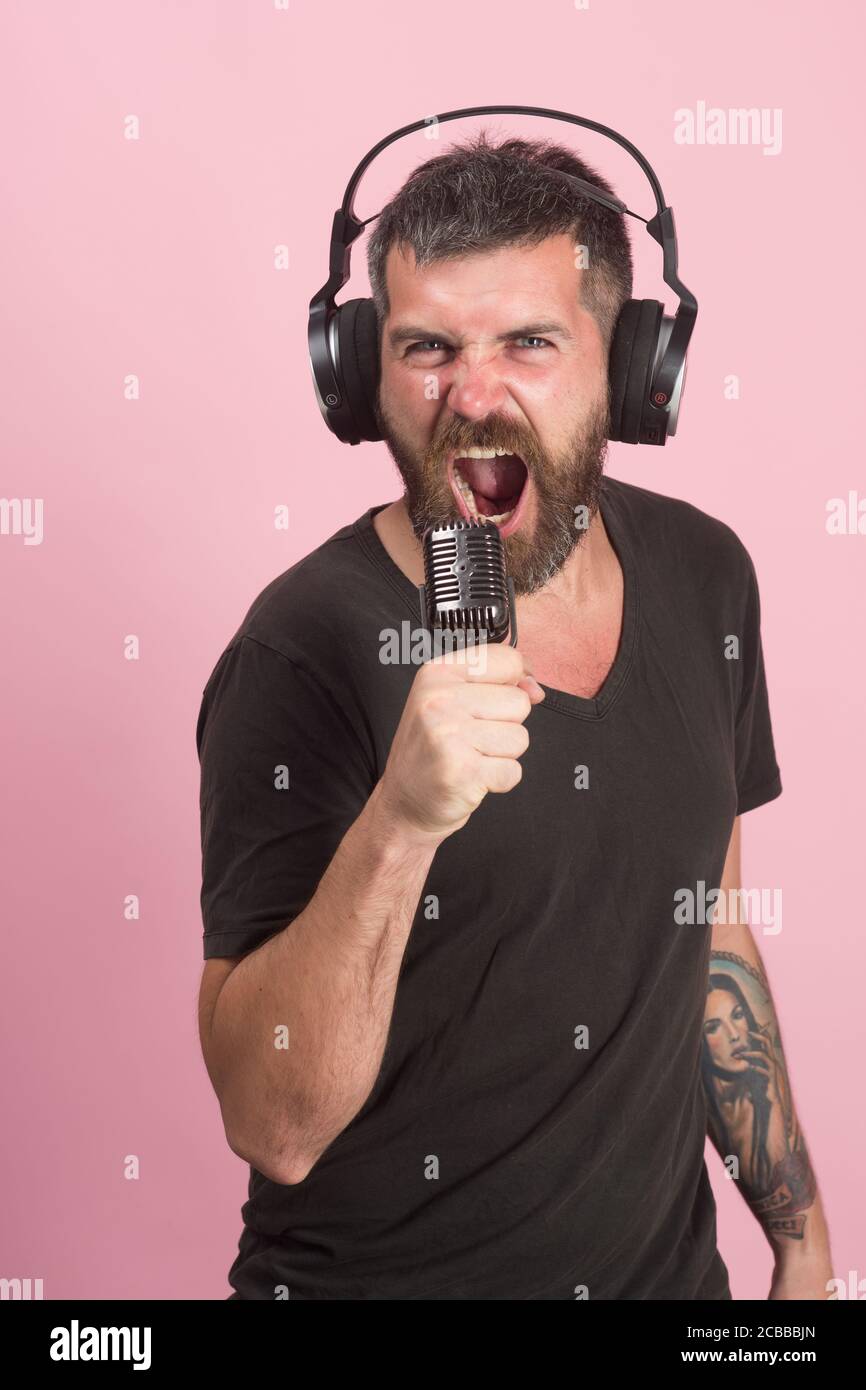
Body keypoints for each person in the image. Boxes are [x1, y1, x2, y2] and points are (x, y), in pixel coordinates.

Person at [195, 130, 832, 1299]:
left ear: (634, 369)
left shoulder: (703, 577)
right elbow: (271, 1122)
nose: (471, 396)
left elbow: (711, 938)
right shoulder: (302, 647)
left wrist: (801, 1240)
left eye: (527, 344)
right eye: (425, 348)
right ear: (358, 379)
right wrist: (400, 819)